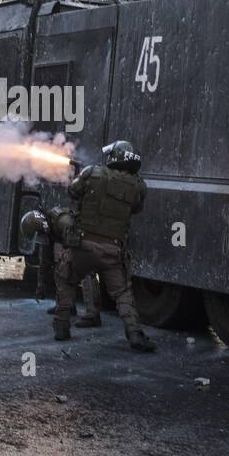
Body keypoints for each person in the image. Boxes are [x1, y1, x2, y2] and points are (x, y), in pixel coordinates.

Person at [49, 140, 155, 352]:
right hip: (112, 250)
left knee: (67, 280)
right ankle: (135, 334)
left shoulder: (91, 173)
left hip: (84, 245)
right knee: (123, 293)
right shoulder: (138, 185)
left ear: (114, 156)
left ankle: (61, 327)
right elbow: (136, 209)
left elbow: (72, 191)